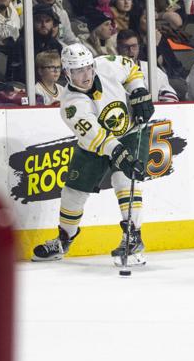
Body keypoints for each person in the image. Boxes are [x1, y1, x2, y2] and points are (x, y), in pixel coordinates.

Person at [32, 42, 155, 267]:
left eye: (87, 67)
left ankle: (133, 236)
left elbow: (131, 68)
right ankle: (63, 239)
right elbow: (97, 137)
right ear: (67, 73)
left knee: (123, 179)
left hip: (130, 131)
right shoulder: (70, 104)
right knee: (72, 192)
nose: (86, 74)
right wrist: (118, 153)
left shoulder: (106, 65)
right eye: (78, 71)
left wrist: (138, 89)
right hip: (94, 145)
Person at [116, 29, 179, 102]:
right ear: (118, 49)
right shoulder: (110, 71)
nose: (130, 50)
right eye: (125, 47)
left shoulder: (151, 69)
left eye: (134, 46)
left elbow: (171, 97)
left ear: (139, 47)